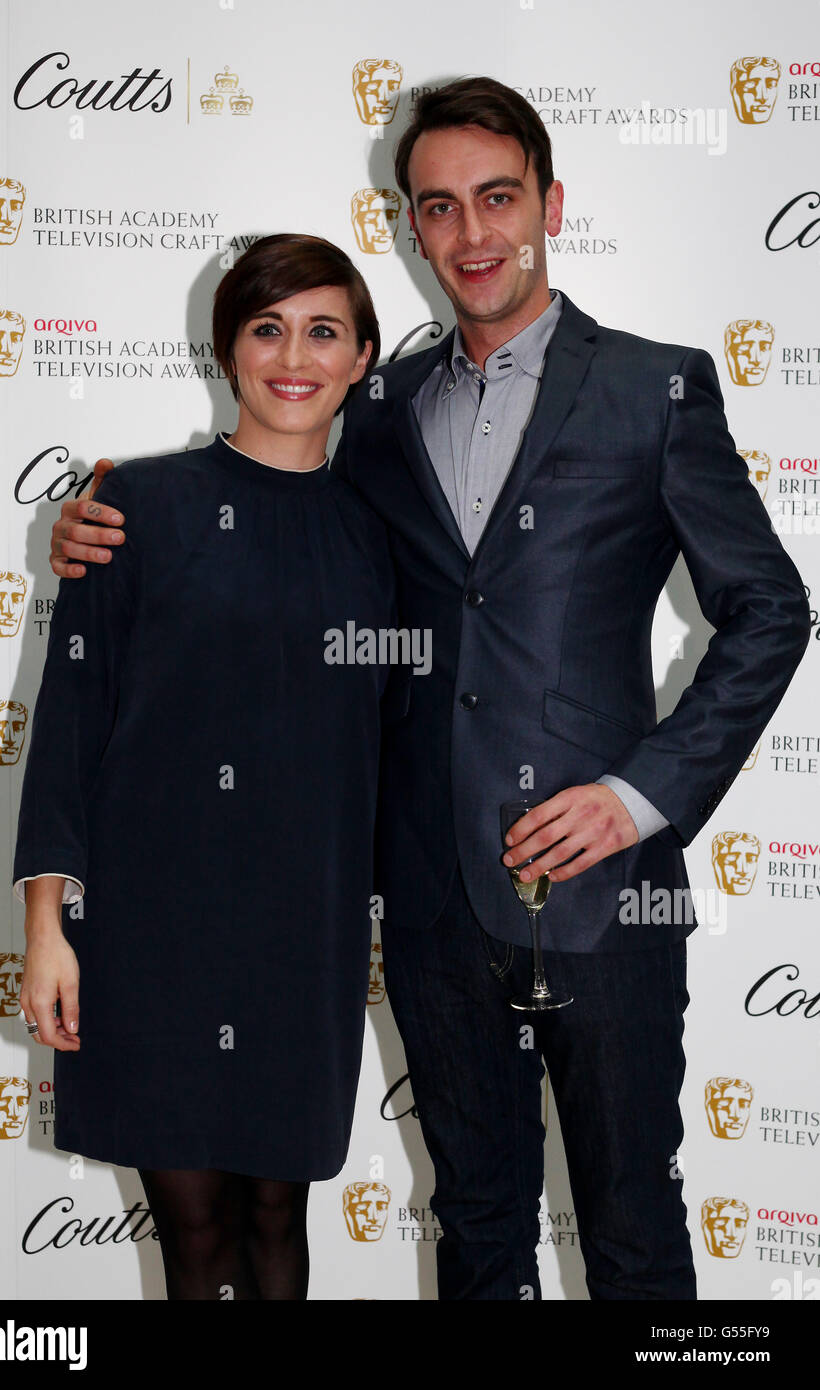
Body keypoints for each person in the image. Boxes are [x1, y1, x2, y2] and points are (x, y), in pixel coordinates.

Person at [47, 79, 811, 1301]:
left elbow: (769, 608)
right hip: (427, 905)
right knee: (476, 1226)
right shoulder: (380, 410)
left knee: (629, 1227)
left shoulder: (652, 389)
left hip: (603, 896)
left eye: (496, 198)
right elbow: (271, 511)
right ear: (411, 228)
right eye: (439, 207)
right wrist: (107, 527)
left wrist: (637, 796)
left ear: (549, 204)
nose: (470, 232)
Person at [13, 233, 394, 1301]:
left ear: (362, 359)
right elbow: (71, 724)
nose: (294, 357)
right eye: (267, 329)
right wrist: (46, 928)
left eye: (323, 331)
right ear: (227, 351)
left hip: (305, 931)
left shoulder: (384, 537)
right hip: (152, 927)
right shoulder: (134, 507)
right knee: (193, 1233)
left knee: (278, 1215)